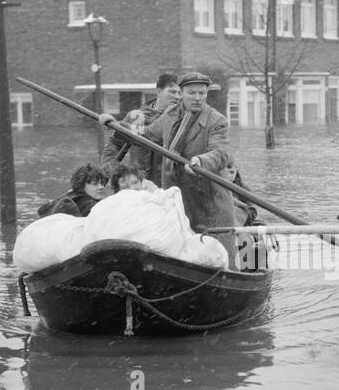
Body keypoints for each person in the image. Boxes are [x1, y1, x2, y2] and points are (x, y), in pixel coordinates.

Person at [99, 71, 237, 266]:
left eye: (202, 93)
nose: (198, 98)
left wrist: (201, 160)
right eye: (192, 93)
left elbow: (221, 153)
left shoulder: (217, 120)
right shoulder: (170, 115)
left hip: (209, 200)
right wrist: (117, 125)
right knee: (182, 253)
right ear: (181, 93)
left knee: (219, 257)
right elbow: (145, 136)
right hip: (178, 196)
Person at [101, 73, 181, 179]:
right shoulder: (135, 116)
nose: (177, 97)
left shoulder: (181, 120)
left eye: (179, 93)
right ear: (159, 92)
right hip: (138, 183)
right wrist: (111, 168)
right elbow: (116, 142)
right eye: (172, 92)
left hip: (166, 185)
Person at [36, 162, 109, 217]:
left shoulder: (69, 196)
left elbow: (41, 211)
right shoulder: (90, 206)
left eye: (101, 183)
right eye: (95, 184)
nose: (101, 187)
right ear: (82, 185)